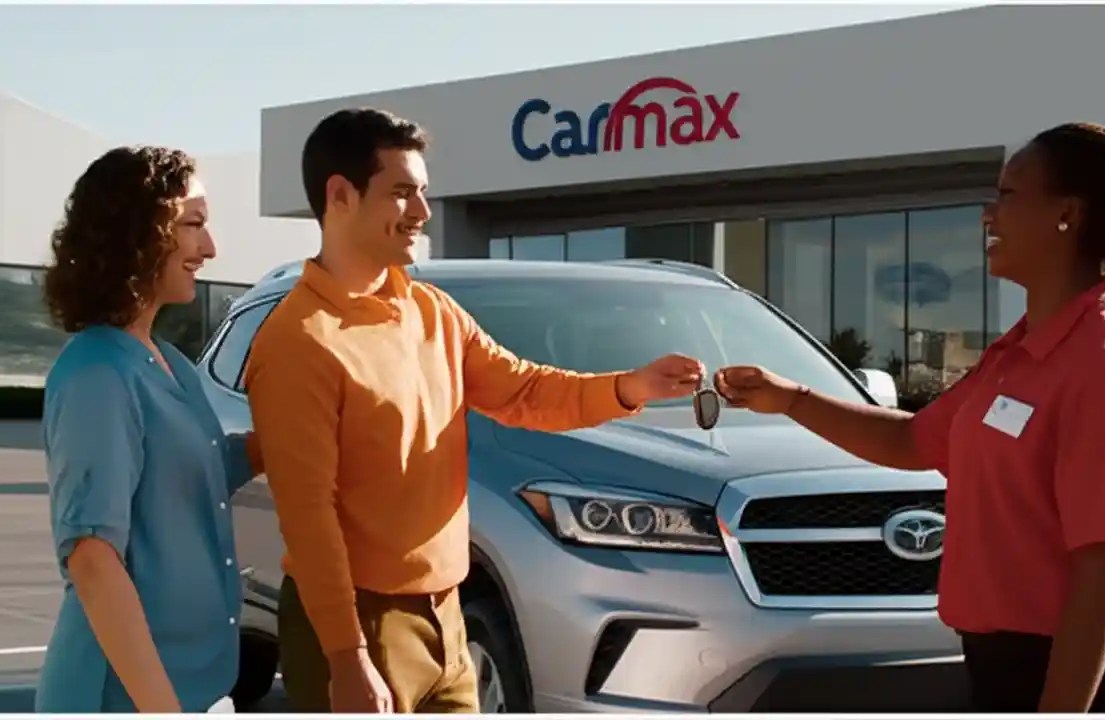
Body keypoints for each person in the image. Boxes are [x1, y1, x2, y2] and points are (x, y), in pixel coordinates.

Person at [243, 107, 704, 714]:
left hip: (448, 620)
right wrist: (347, 656)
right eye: (402, 192)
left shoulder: (433, 313)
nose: (423, 213)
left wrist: (630, 387)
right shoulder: (299, 339)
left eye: (425, 193)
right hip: (360, 628)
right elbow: (308, 517)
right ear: (340, 196)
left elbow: (524, 391)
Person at [715, 122, 1105, 714]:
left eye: (1008, 196)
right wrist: (791, 399)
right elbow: (911, 440)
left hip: (1067, 683)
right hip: (999, 673)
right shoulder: (1013, 357)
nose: (989, 215)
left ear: (1067, 214)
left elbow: (1100, 577)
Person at [35, 146, 261, 713]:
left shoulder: (168, 361)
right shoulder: (96, 372)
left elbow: (200, 471)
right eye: (194, 224)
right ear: (139, 232)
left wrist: (311, 429)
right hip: (123, 699)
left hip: (191, 690)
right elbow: (92, 558)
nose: (209, 248)